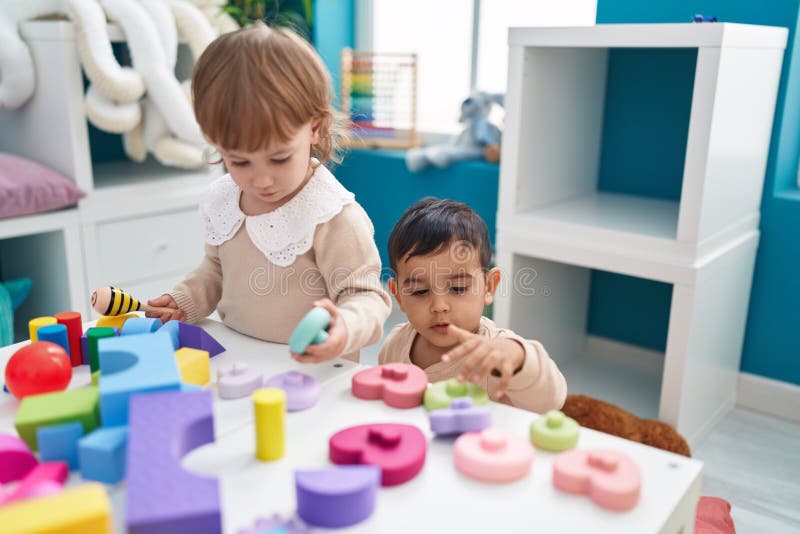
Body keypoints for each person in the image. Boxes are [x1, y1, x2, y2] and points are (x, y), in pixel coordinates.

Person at [146, 23, 391, 363]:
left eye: (279, 158)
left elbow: (366, 296)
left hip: (312, 371)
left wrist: (346, 326)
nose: (261, 180)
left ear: (314, 130)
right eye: (239, 161)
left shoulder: (332, 216)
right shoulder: (225, 200)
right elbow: (216, 271)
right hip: (237, 356)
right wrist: (184, 299)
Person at [379, 198, 566, 412]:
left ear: (489, 286)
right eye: (420, 291)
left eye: (458, 288)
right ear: (399, 296)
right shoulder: (395, 346)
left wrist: (519, 358)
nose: (439, 306)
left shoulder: (496, 352)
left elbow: (553, 400)